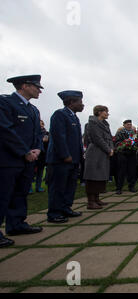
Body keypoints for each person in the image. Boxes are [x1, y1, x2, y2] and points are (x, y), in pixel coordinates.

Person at [0, 75, 44, 247]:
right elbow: (5, 130)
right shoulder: (5, 103)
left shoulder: (33, 110)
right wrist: (24, 151)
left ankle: (17, 224)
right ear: (25, 86)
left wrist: (38, 148)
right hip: (9, 159)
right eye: (36, 87)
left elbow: (37, 134)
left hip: (28, 159)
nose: (39, 90)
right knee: (3, 195)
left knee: (20, 193)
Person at [46, 91, 85, 223]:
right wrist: (65, 155)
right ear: (71, 102)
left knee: (70, 186)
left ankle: (65, 208)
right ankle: (54, 213)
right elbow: (58, 137)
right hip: (61, 159)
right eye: (80, 102)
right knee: (58, 187)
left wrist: (79, 156)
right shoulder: (60, 115)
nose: (82, 105)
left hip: (73, 159)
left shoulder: (74, 117)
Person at [83, 105, 114, 209]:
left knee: (100, 177)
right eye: (106, 111)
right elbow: (97, 139)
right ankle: (90, 202)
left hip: (103, 153)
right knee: (93, 177)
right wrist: (108, 149)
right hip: (95, 153)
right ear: (99, 112)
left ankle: (96, 199)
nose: (108, 113)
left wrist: (111, 148)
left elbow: (109, 138)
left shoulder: (105, 124)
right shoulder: (92, 124)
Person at [114, 120, 138, 194]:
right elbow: (116, 142)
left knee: (132, 171)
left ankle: (131, 187)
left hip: (132, 153)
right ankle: (119, 188)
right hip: (122, 153)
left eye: (130, 124)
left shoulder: (133, 133)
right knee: (121, 171)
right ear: (124, 125)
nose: (129, 126)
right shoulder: (120, 133)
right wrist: (125, 142)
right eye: (128, 124)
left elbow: (136, 141)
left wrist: (134, 144)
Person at [34, 120, 49, 192]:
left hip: (43, 155)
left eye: (42, 124)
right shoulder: (34, 133)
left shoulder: (47, 133)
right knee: (31, 172)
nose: (41, 125)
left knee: (40, 172)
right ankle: (29, 188)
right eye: (40, 124)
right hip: (35, 154)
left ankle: (38, 187)